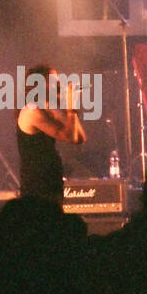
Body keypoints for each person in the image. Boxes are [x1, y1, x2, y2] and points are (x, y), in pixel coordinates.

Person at [15, 65, 87, 202]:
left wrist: (71, 107)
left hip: (52, 181)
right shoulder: (32, 110)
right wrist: (71, 108)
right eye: (54, 80)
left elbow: (79, 138)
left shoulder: (49, 109)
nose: (59, 83)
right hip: (36, 187)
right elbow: (69, 137)